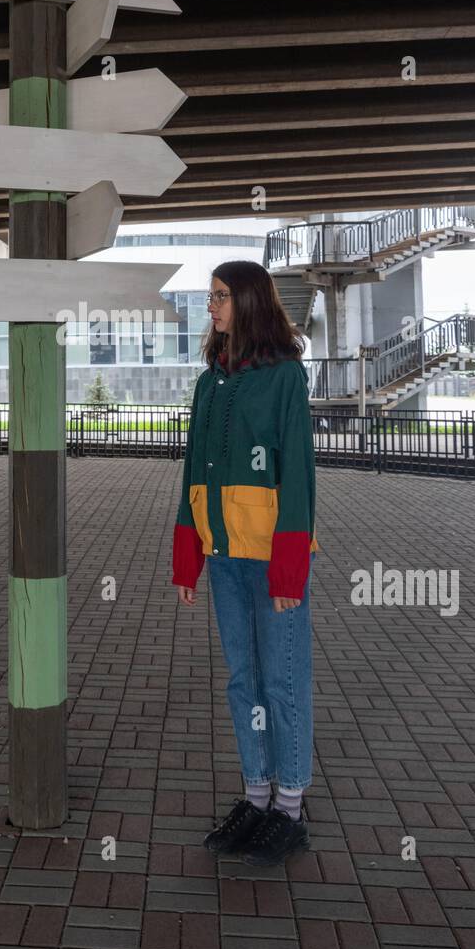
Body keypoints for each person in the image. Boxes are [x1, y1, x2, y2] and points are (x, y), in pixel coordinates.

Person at [171, 260, 318, 867]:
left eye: (222, 296)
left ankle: (289, 810)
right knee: (243, 681)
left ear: (251, 302)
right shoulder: (211, 381)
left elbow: (299, 477)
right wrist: (188, 557)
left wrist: (289, 569)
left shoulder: (285, 378)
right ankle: (256, 796)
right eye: (210, 296)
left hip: (270, 559)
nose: (212, 306)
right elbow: (192, 471)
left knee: (282, 683)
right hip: (224, 555)